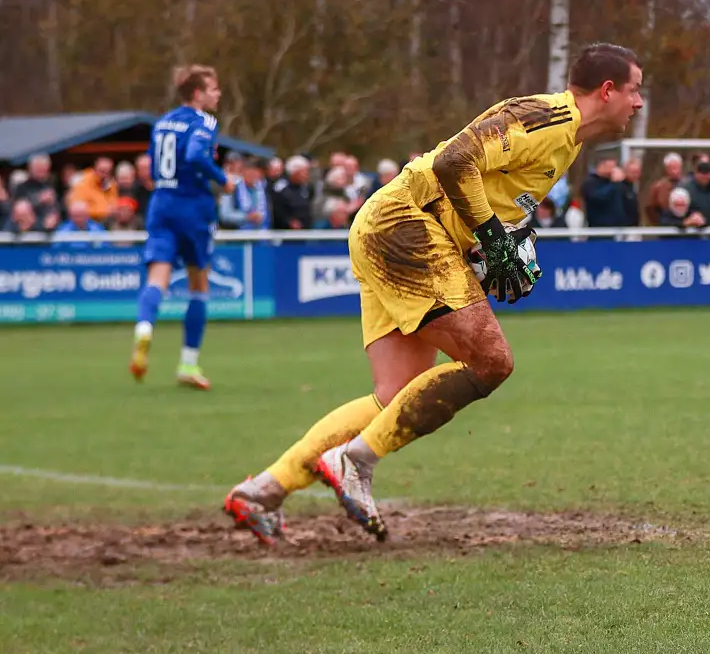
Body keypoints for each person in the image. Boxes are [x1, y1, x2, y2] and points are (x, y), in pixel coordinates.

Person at [222, 43, 644, 545]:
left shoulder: (567, 140)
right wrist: (492, 236)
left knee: (395, 395)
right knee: (492, 362)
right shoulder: (546, 117)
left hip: (389, 225)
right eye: (636, 90)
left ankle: (263, 491)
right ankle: (354, 460)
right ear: (608, 90)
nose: (639, 103)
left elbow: (475, 190)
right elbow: (452, 161)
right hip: (408, 226)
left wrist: (504, 244)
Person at [129, 65, 234, 390]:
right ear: (198, 93)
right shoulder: (204, 121)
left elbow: (149, 164)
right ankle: (188, 363)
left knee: (157, 278)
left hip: (161, 203)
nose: (217, 94)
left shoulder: (161, 123)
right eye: (214, 89)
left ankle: (144, 329)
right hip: (192, 207)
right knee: (198, 285)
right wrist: (223, 179)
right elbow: (194, 156)